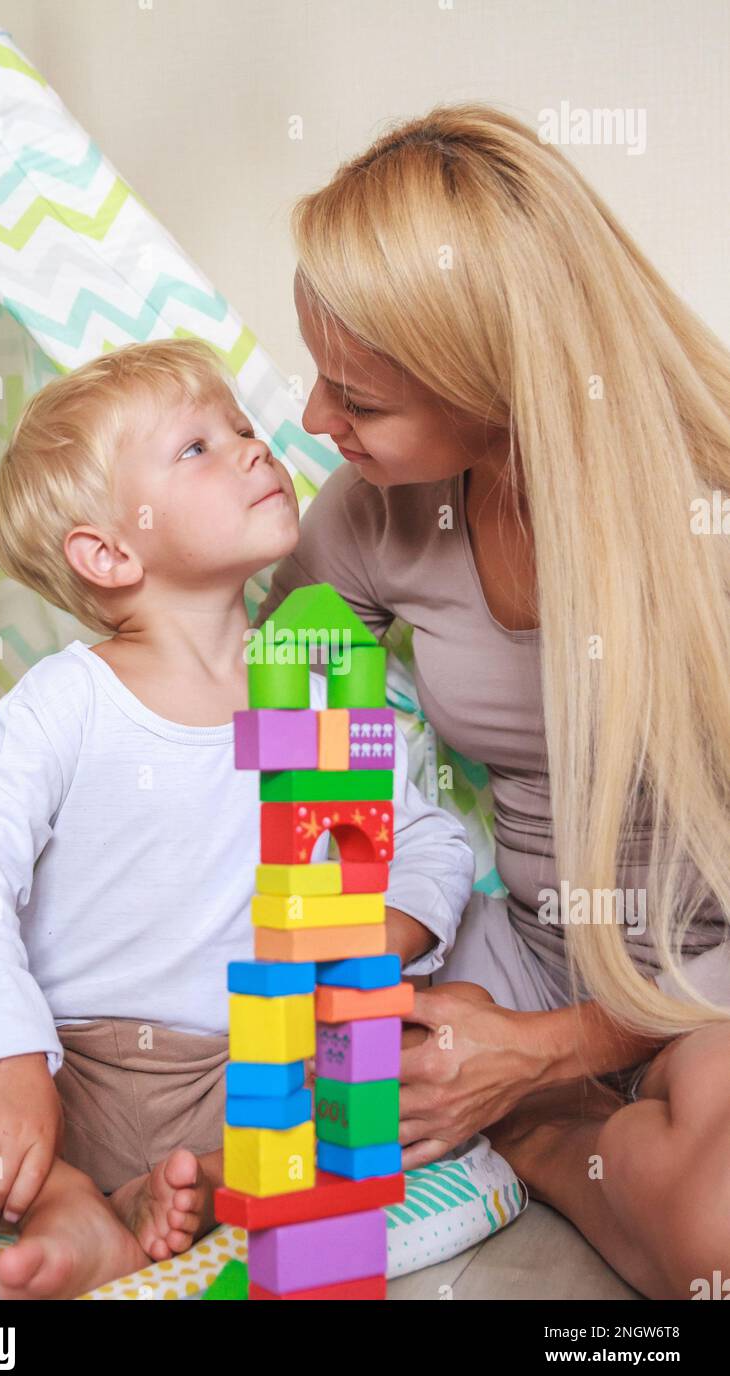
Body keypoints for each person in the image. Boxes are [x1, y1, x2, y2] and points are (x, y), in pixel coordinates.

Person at [0, 337, 475, 1300]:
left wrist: (387, 925)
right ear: (109, 551)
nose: (253, 447)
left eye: (242, 426)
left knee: (428, 1048)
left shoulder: (315, 700)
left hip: (248, 1082)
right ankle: (64, 1196)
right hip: (63, 1074)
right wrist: (8, 1055)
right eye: (198, 447)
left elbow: (434, 835)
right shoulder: (65, 702)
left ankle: (182, 1190)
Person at [254, 102, 730, 1300]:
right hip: (507, 948)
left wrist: (538, 1062)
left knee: (714, 1235)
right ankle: (528, 1108)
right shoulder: (374, 512)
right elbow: (279, 684)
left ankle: (528, 1130)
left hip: (696, 982)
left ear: (496, 384)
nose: (315, 422)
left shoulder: (701, 521)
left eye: (355, 399)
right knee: (253, 1052)